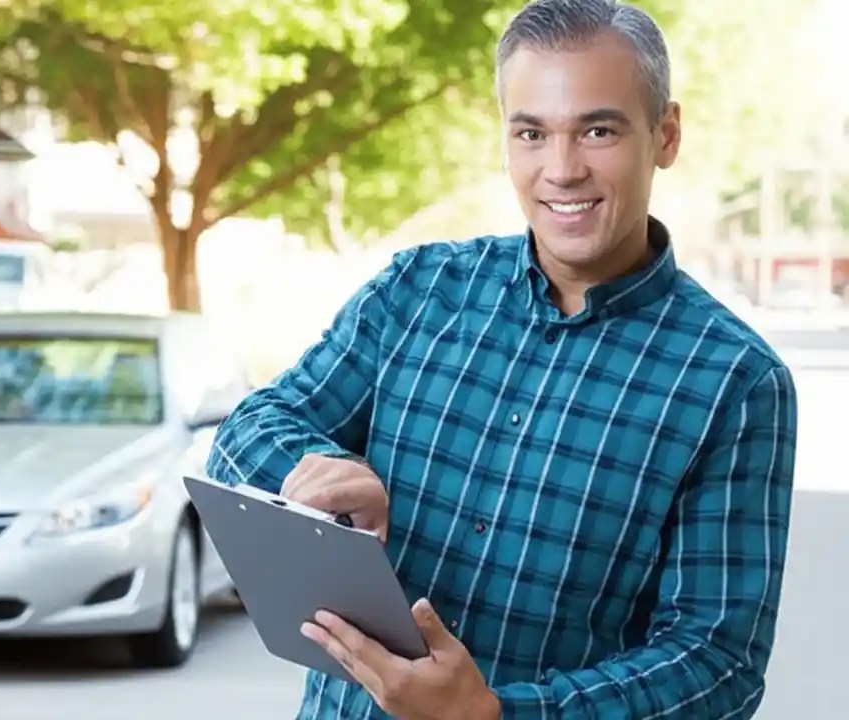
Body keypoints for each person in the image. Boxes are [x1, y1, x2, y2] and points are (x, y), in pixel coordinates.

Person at [205, 0, 799, 718]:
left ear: (665, 135)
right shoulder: (418, 290)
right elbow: (249, 430)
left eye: (599, 130)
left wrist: (495, 715)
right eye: (532, 132)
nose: (562, 169)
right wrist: (320, 479)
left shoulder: (734, 380)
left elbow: (717, 663)